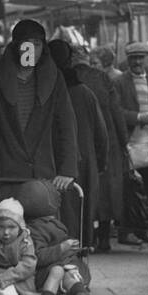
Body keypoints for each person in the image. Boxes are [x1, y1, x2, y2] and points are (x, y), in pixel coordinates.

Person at [0, 20, 78, 250]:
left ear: (43, 48)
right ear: (16, 46)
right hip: (1, 175)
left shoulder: (53, 78)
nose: (31, 50)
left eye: (36, 44)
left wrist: (67, 170)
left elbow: (67, 125)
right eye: (27, 44)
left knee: (42, 241)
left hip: (39, 176)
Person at [46, 39, 106, 237]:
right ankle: (82, 249)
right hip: (84, 162)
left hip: (53, 160)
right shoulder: (85, 92)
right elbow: (101, 133)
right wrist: (100, 162)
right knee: (81, 211)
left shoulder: (44, 90)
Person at [113, 41, 148, 245]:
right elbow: (116, 111)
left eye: (140, 58)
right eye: (133, 58)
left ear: (146, 60)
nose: (137, 62)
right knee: (129, 189)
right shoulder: (119, 83)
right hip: (129, 141)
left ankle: (142, 229)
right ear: (128, 60)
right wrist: (137, 117)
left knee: (147, 189)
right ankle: (125, 230)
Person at [75, 49, 131, 251]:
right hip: (108, 140)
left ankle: (84, 237)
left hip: (78, 141)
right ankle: (104, 238)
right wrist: (124, 143)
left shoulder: (66, 79)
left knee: (81, 188)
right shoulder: (102, 78)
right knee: (106, 190)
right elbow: (116, 111)